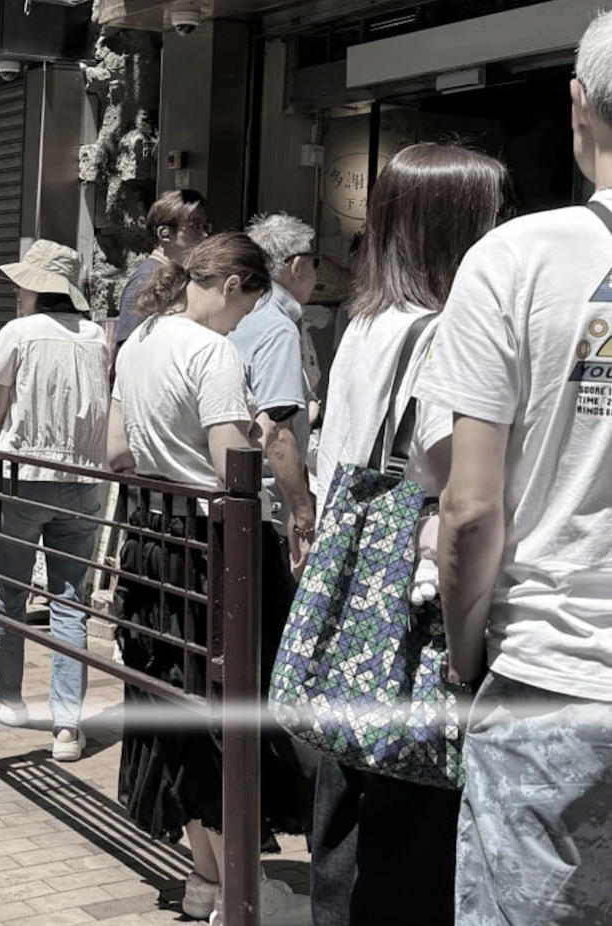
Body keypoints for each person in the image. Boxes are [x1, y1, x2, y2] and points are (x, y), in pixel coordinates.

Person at [413, 15, 612, 924]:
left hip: (555, 680)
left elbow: (469, 507)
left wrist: (463, 664)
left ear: (578, 105)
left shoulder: (518, 258)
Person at [309, 142, 510, 926]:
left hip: (352, 599)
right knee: (415, 831)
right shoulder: (445, 333)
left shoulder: (364, 323)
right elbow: (460, 491)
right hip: (413, 608)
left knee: (344, 813)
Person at [108, 232, 310, 926]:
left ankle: (205, 877)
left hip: (149, 542)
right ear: (230, 287)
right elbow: (233, 468)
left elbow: (116, 449)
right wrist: (259, 432)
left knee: (175, 708)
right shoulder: (212, 351)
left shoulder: (138, 341)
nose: (243, 320)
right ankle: (241, 892)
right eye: (247, 305)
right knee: (224, 714)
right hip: (209, 547)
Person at [0, 240, 109, 763]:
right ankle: (68, 727)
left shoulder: (18, 332)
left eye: (22, 285)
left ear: (37, 289)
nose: (17, 293)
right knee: (69, 602)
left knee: (11, 591)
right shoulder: (96, 337)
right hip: (83, 480)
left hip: (24, 476)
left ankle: (8, 697)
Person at [230, 213, 318, 579]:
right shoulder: (277, 328)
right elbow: (278, 434)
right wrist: (303, 514)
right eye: (315, 262)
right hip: (265, 505)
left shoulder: (239, 313)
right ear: (296, 266)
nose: (316, 273)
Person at [111, 189, 210, 363]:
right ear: (164, 233)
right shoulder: (146, 278)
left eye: (205, 226)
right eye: (195, 225)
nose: (204, 235)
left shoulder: (185, 276)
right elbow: (127, 348)